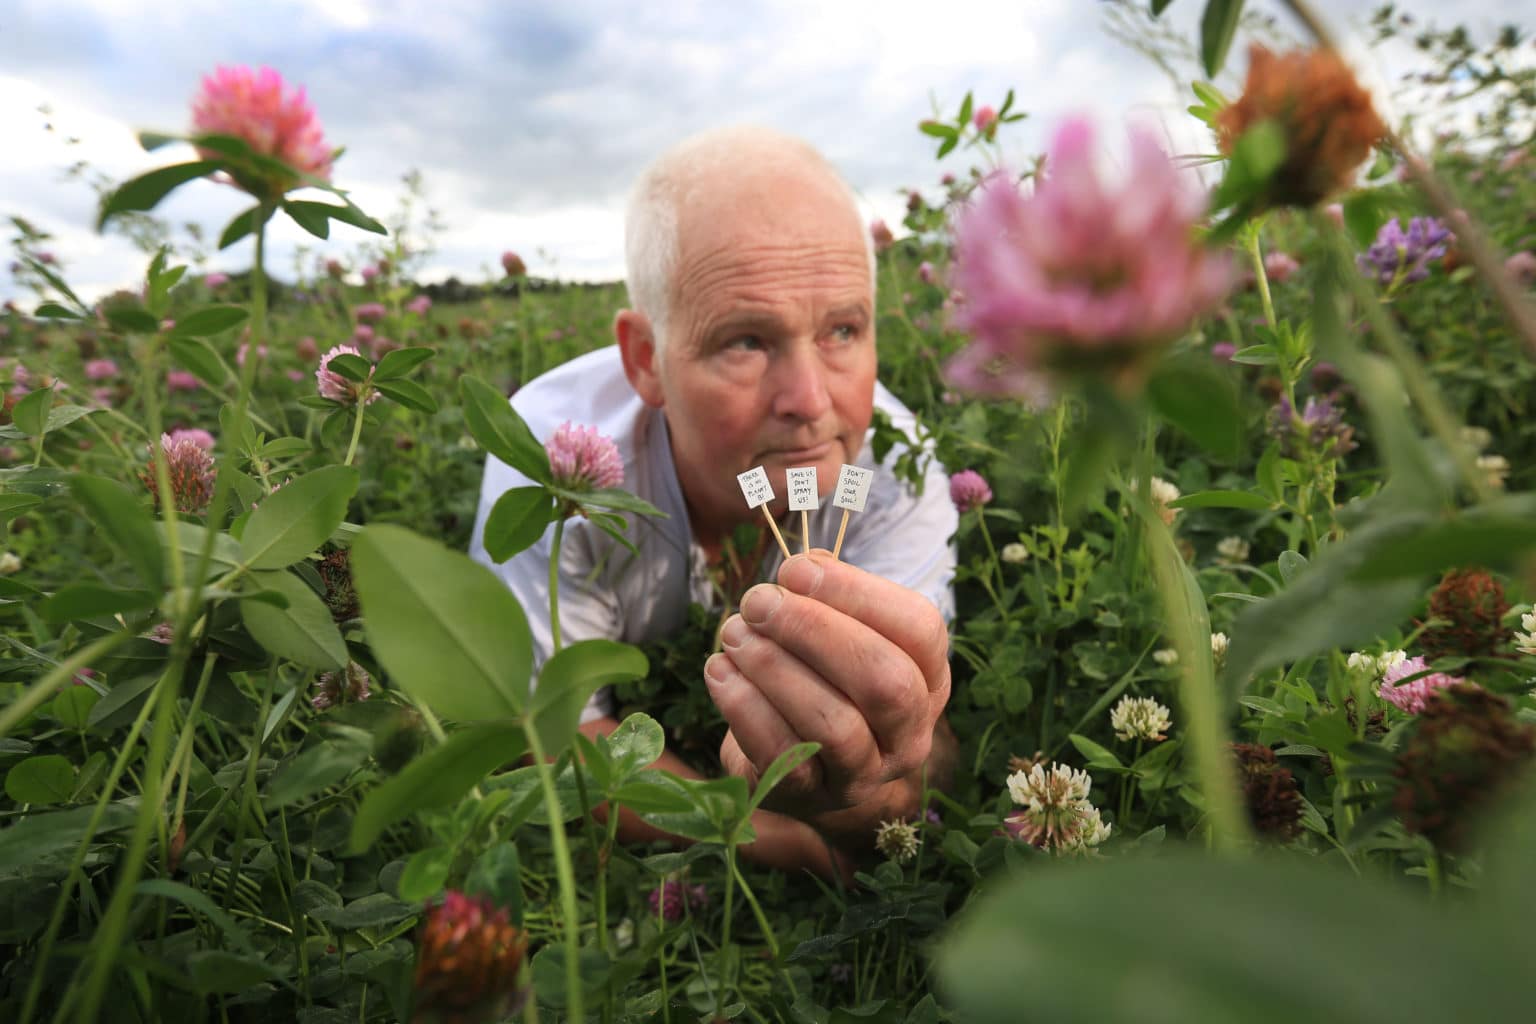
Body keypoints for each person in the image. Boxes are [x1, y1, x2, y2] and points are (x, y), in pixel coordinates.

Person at [469, 125, 958, 877]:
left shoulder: (897, 467)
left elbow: (914, 735)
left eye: (843, 330)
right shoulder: (556, 468)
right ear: (647, 361)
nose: (808, 401)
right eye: (745, 341)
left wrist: (892, 763)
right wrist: (790, 843)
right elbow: (546, 735)